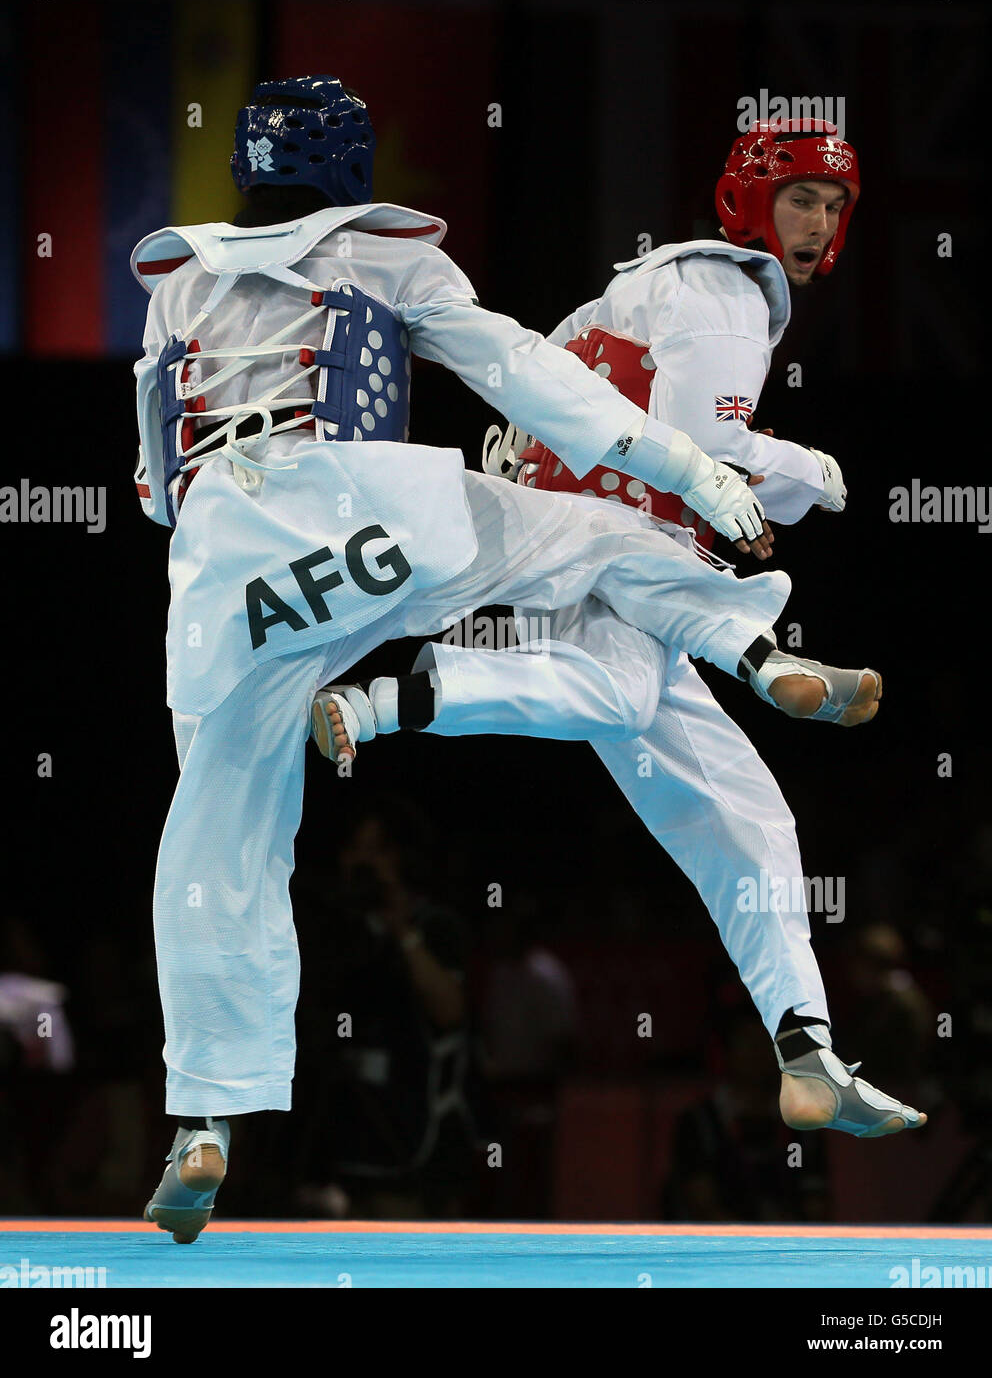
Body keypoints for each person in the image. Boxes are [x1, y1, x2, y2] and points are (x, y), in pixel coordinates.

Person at [134, 78, 891, 1243]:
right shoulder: (385, 256)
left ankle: (203, 1122)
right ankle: (746, 645)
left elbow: (151, 476)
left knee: (219, 838)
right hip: (367, 515)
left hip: (216, 580)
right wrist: (696, 471)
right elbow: (526, 376)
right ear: (350, 168)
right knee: (601, 540)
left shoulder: (174, 278)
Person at [314, 119, 925, 1151]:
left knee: (740, 812)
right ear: (747, 204)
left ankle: (804, 1045)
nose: (817, 224)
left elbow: (554, 414)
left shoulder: (637, 287)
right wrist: (809, 470)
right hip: (589, 540)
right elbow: (707, 447)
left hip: (563, 544)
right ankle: (751, 653)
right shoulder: (729, 291)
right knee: (638, 662)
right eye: (799, 201)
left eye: (832, 205)